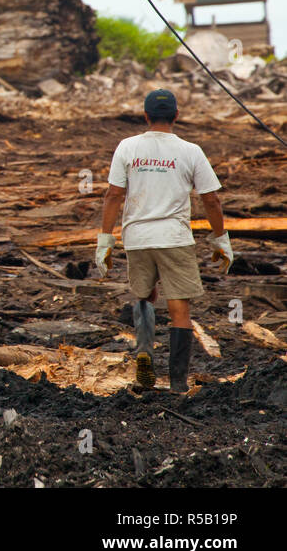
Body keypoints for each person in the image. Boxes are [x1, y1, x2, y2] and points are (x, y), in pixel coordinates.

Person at [96, 88, 232, 393]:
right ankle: (178, 382)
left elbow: (113, 195)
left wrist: (105, 240)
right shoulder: (191, 150)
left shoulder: (127, 147)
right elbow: (211, 200)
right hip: (174, 238)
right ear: (176, 116)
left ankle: (144, 351)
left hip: (137, 238)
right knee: (179, 309)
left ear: (145, 116)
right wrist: (221, 238)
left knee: (144, 296)